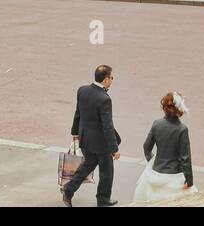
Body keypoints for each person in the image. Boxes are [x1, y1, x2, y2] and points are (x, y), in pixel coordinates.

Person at [61, 64, 120, 207]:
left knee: (88, 165)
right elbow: (107, 126)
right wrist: (114, 148)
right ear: (106, 79)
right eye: (111, 77)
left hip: (85, 139)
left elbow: (78, 113)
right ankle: (103, 199)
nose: (112, 80)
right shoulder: (104, 99)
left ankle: (68, 189)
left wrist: (75, 132)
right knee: (107, 172)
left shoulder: (82, 90)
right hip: (101, 144)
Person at [134, 91, 196, 204]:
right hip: (174, 174)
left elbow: (146, 147)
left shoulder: (157, 123)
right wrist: (189, 180)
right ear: (180, 109)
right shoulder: (182, 129)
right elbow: (185, 158)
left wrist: (152, 161)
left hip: (156, 170)